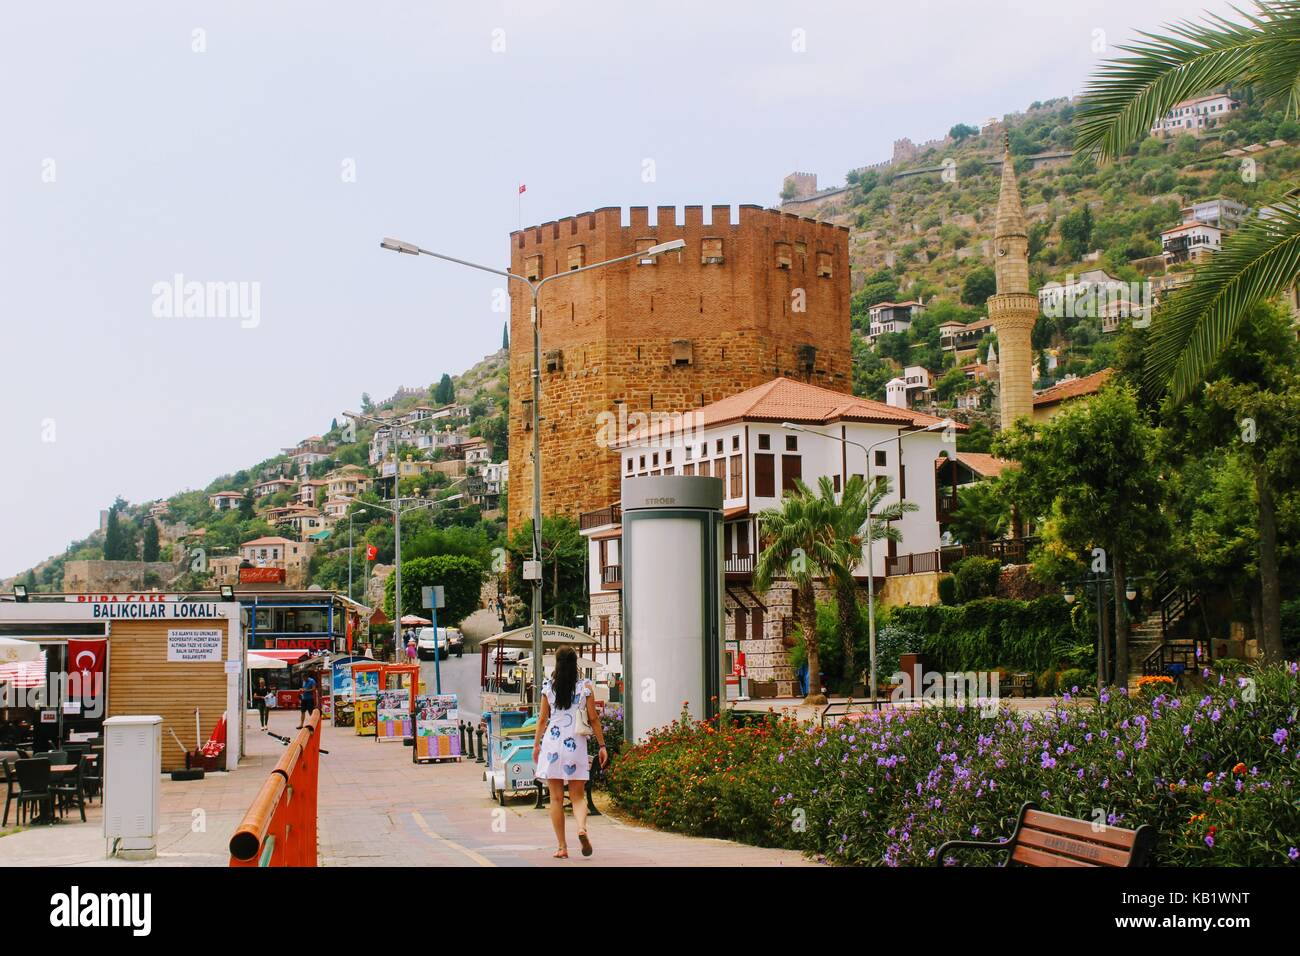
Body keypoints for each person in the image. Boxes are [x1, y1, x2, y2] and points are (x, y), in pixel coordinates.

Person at [531, 646, 607, 859]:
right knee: (578, 796)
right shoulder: (585, 688)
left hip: (552, 746)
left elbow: (542, 719)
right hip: (575, 744)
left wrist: (536, 745)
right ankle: (581, 828)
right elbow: (593, 719)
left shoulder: (548, 687)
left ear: (557, 664)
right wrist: (602, 746)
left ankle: (562, 847)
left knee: (555, 799)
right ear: (576, 664)